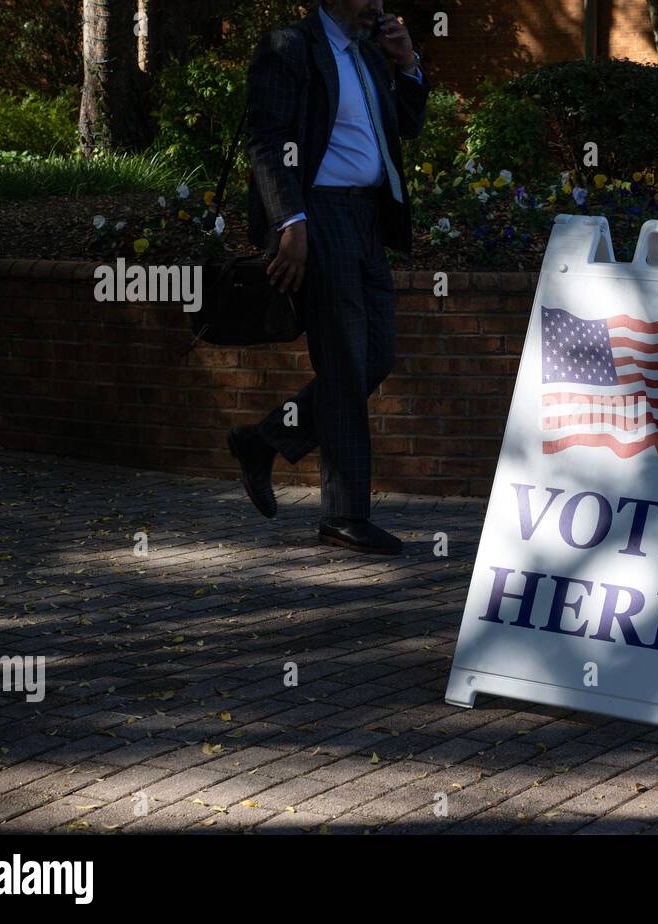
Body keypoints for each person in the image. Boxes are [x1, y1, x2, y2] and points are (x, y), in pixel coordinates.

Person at [227, 0, 429, 554]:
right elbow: (266, 140)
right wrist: (290, 222)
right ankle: (344, 515)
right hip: (319, 215)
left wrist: (407, 62)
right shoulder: (289, 47)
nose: (381, 5)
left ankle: (263, 440)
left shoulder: (368, 52)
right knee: (343, 363)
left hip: (367, 218)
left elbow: (407, 128)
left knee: (376, 356)